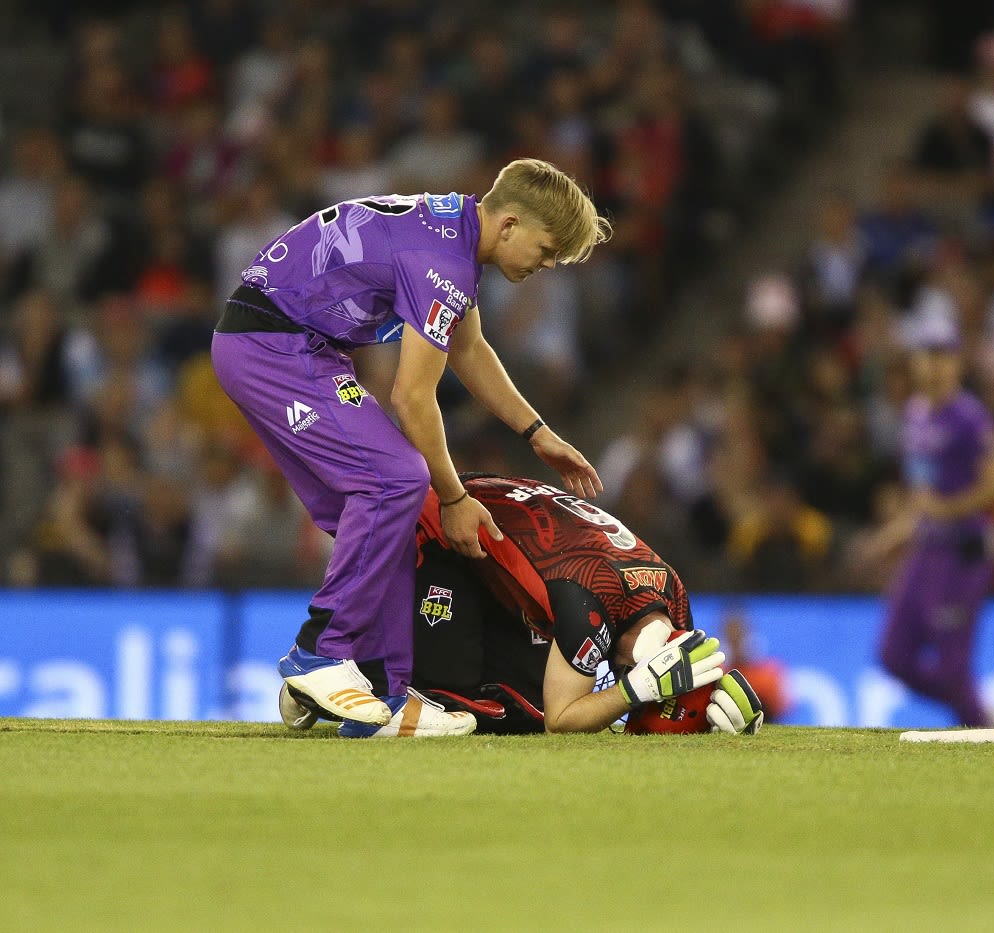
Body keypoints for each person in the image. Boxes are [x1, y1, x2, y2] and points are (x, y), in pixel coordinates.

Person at [212, 159, 609, 736]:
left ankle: (384, 695)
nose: (547, 265)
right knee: (398, 479)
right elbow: (412, 398)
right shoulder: (444, 263)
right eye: (547, 250)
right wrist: (454, 498)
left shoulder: (454, 233)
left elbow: (469, 350)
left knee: (398, 509)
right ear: (510, 225)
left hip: (287, 345)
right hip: (278, 348)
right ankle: (319, 654)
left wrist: (537, 433)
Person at [279, 473, 765, 738]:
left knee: (525, 702)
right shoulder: (590, 601)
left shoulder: (671, 596)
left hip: (488, 545)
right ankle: (352, 679)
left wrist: (724, 703)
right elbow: (562, 720)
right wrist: (635, 691)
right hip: (430, 531)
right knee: (493, 703)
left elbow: (679, 666)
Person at [866, 318, 994, 727]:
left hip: (965, 553)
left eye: (943, 355)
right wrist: (894, 534)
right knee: (893, 657)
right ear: (914, 362)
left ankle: (979, 722)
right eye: (927, 354)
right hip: (926, 550)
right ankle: (980, 715)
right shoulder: (915, 414)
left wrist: (951, 509)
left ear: (957, 363)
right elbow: (923, 495)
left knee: (952, 667)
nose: (934, 365)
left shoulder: (969, 417)